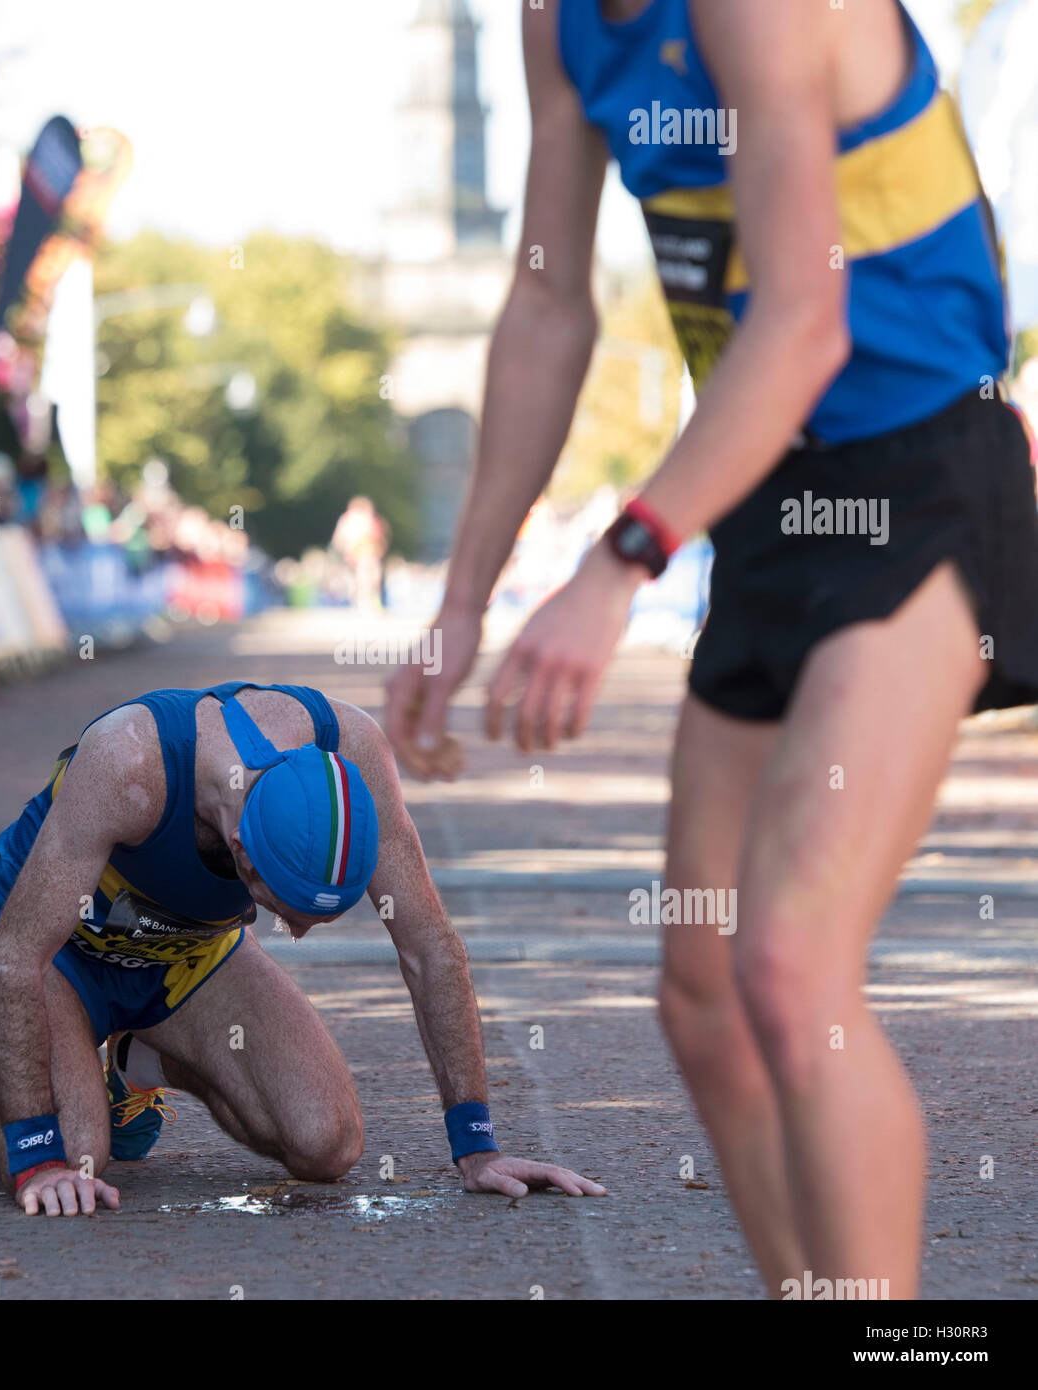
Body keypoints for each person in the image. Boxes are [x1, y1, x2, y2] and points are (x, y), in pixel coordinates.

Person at [385, 0, 1038, 1298]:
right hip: (767, 495)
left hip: (920, 473)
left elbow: (807, 316)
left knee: (791, 967)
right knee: (704, 993)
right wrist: (465, 597)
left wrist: (619, 561)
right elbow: (548, 305)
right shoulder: (559, 21)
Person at [0, 681, 603, 1215]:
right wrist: (35, 1157)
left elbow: (432, 950)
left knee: (326, 1145)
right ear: (243, 849)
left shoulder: (356, 754)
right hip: (48, 946)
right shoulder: (130, 763)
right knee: (78, 1156)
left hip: (182, 948)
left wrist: (478, 1144)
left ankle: (128, 1063)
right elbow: (13, 958)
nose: (303, 933)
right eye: (285, 909)